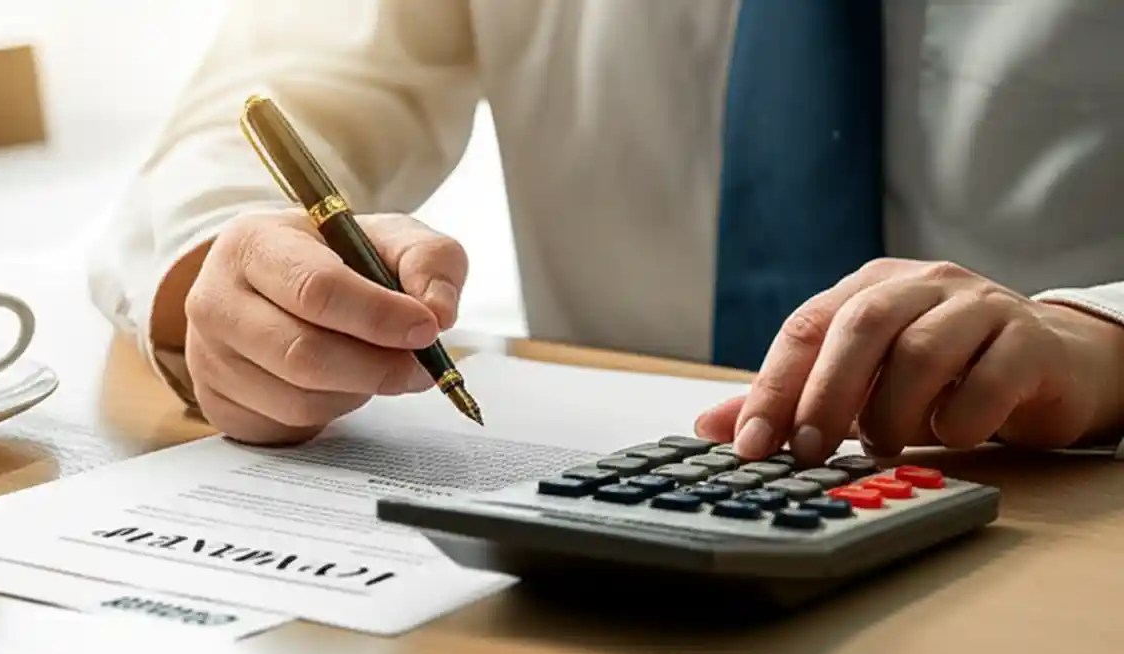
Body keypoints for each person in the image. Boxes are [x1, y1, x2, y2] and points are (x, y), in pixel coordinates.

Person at [90, 0, 1124, 466]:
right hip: (613, 517)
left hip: (1043, 500)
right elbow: (274, 94)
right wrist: (227, 274)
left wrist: (1102, 335)